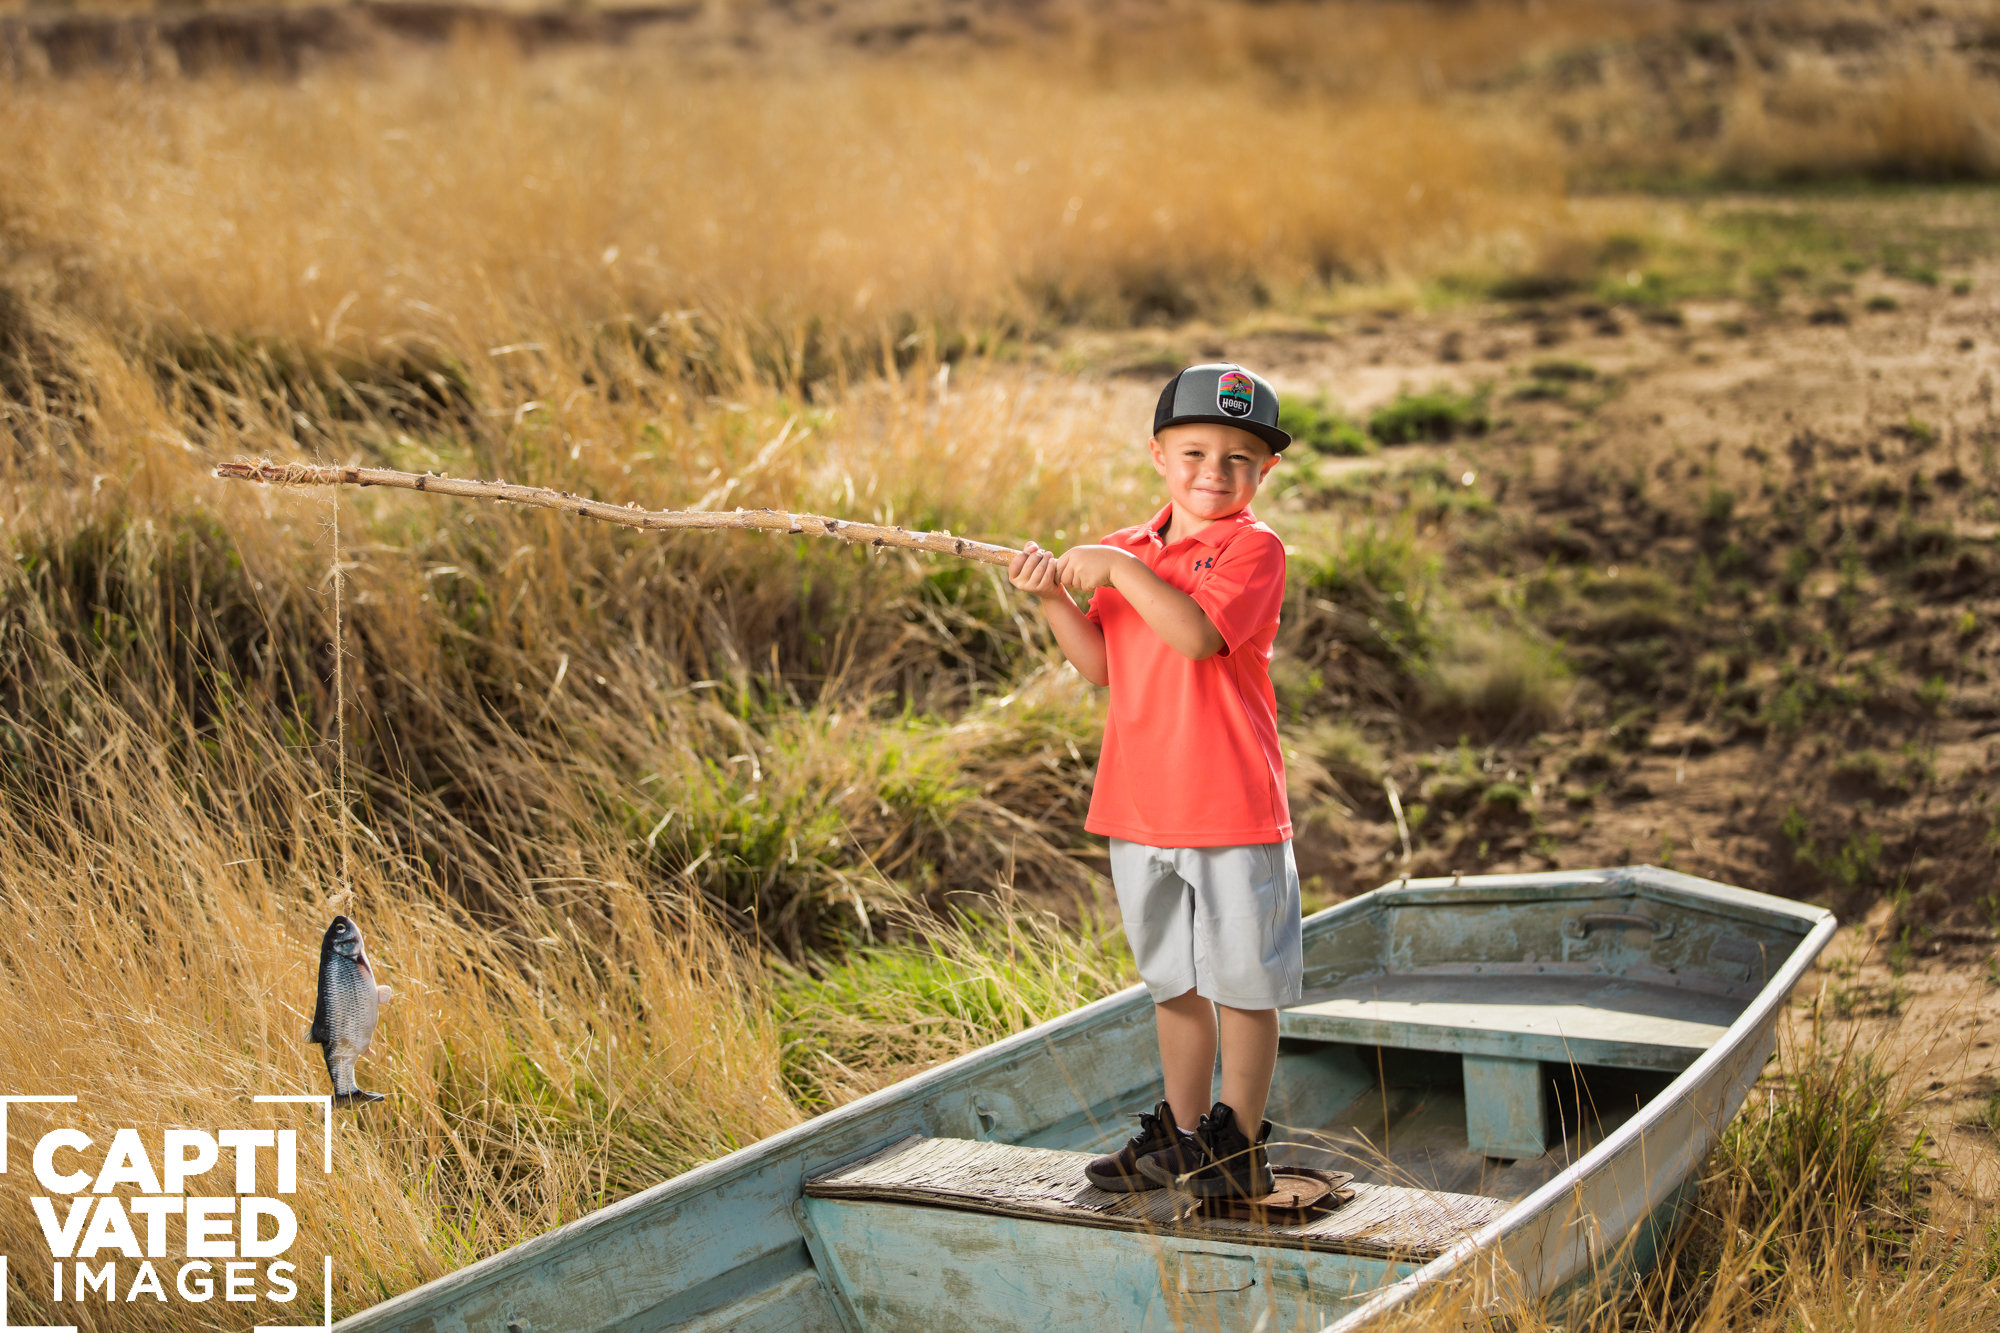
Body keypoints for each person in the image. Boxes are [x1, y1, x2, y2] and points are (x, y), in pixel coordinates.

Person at [1007, 363, 1300, 1202]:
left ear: (1266, 471)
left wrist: (1114, 570)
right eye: (1196, 451)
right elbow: (1102, 665)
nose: (1216, 472)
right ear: (1159, 455)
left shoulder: (1252, 547)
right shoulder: (1127, 551)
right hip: (1138, 805)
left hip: (1231, 803)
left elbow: (1199, 636)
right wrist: (1053, 598)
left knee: (1243, 983)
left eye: (1240, 458)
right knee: (1175, 982)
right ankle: (1181, 1135)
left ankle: (1238, 1145)